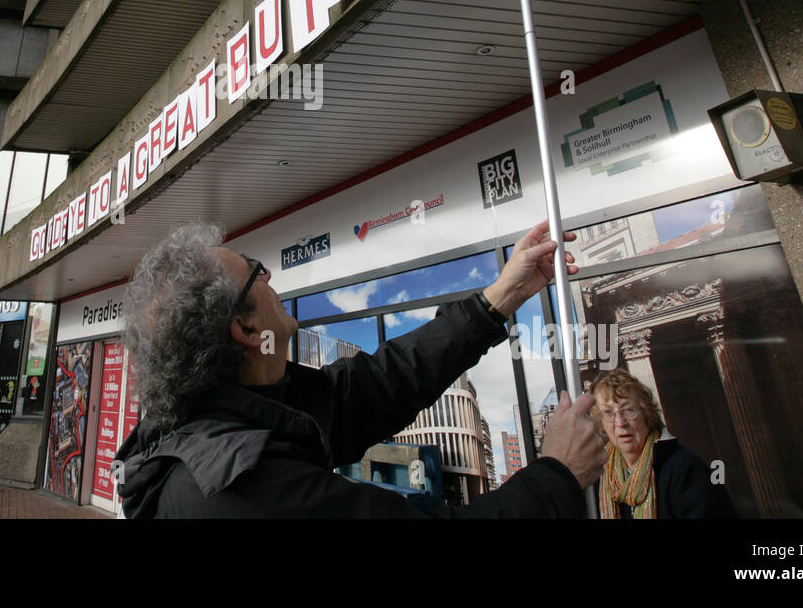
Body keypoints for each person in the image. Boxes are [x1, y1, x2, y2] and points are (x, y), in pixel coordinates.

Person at [114, 220, 606, 517]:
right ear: (244, 330)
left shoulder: (232, 416)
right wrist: (558, 474)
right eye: (253, 269)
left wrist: (499, 299)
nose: (268, 274)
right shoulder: (247, 489)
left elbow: (376, 385)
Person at [591, 367, 736, 518]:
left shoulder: (685, 468)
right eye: (608, 413)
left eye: (628, 410)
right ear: (600, 422)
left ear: (645, 413)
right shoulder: (599, 478)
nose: (620, 422)